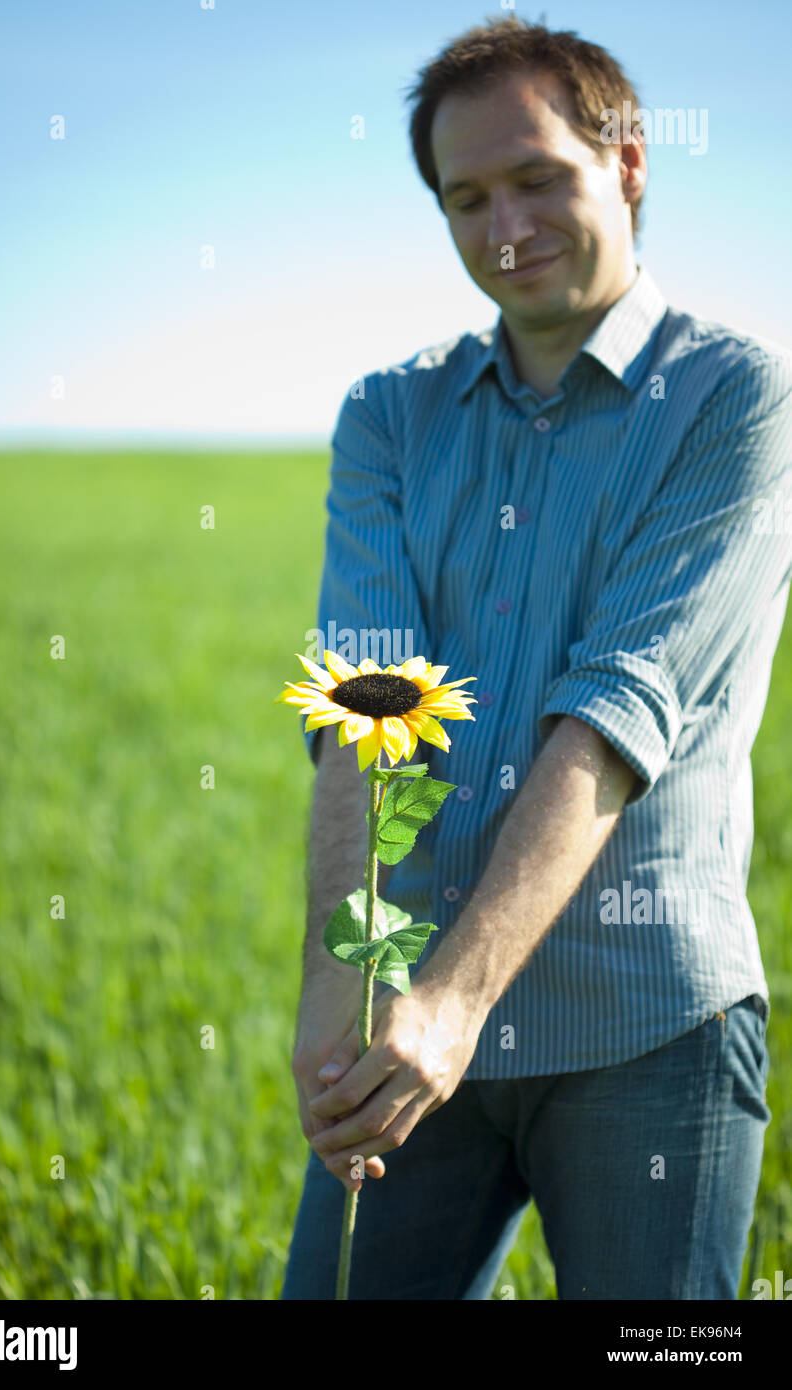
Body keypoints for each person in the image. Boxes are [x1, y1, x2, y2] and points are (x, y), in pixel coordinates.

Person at [280, 14, 791, 1300]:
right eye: (466, 197)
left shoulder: (737, 398)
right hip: (407, 1031)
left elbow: (618, 714)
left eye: (536, 178)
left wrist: (450, 1002)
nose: (502, 226)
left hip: (644, 1028)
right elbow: (363, 701)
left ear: (625, 162)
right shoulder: (389, 413)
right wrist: (342, 992)